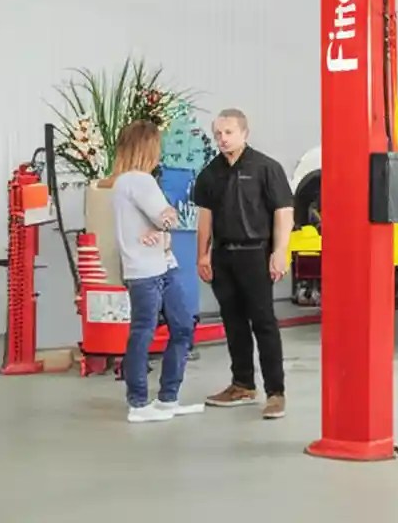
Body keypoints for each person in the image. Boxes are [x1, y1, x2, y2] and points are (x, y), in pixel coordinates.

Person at [192, 109, 295, 419]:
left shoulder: (266, 168)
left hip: (256, 254)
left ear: (244, 133)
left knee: (263, 323)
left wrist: (279, 252)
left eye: (228, 133)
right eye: (218, 134)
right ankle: (242, 385)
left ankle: (275, 393)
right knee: (233, 322)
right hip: (224, 256)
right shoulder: (210, 173)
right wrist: (203, 254)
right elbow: (205, 218)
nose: (222, 139)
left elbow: (283, 211)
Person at [108, 120, 203, 424]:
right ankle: (141, 402)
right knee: (156, 331)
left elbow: (162, 223)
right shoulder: (138, 180)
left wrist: (159, 228)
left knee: (171, 328)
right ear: (146, 147)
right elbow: (169, 219)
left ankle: (163, 400)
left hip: (158, 265)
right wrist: (163, 225)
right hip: (149, 270)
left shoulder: (123, 182)